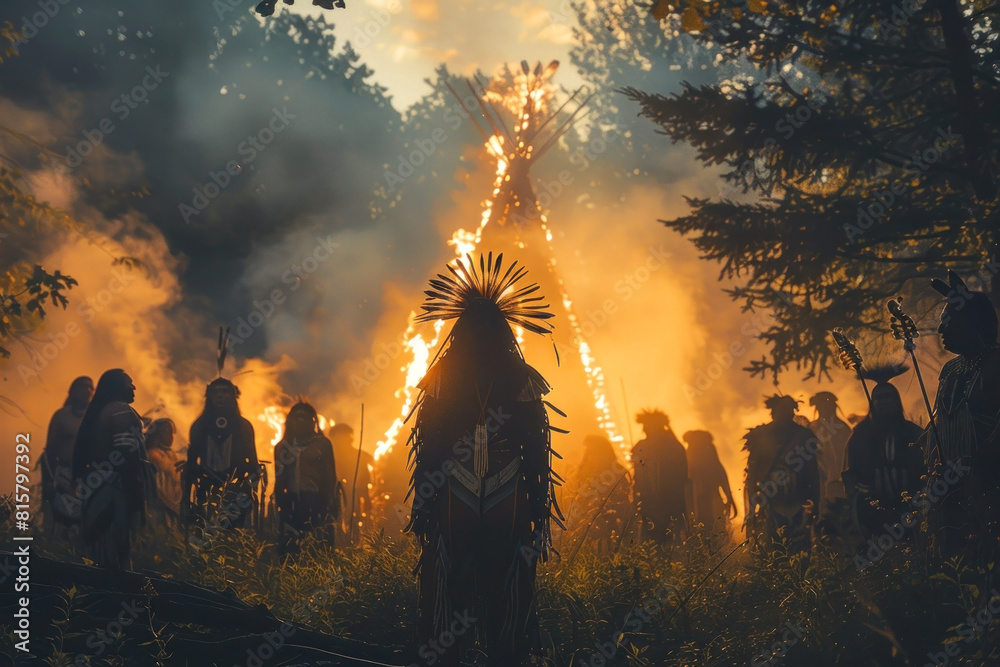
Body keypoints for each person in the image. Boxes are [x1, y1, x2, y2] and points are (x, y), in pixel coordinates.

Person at [407, 253, 561, 666]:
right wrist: (426, 498)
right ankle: (446, 653)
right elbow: (431, 445)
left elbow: (534, 447)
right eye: (473, 325)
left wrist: (538, 503)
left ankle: (507, 652)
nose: (479, 334)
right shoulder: (442, 378)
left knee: (507, 584)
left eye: (486, 325)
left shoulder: (521, 380)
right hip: (456, 491)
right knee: (449, 580)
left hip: (507, 492)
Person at [928, 270, 1000, 559]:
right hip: (951, 489)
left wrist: (981, 462)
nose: (941, 330)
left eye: (949, 322)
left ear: (971, 324)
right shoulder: (951, 370)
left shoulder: (996, 365)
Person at [71, 369, 148, 569]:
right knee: (117, 555)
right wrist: (136, 497)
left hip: (98, 491)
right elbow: (127, 457)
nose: (134, 387)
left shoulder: (101, 411)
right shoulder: (120, 411)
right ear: (117, 387)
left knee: (102, 555)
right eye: (129, 383)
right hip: (115, 494)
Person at [841, 365, 924, 540]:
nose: (885, 402)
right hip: (873, 511)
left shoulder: (913, 433)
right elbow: (851, 475)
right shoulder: (861, 434)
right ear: (873, 402)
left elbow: (926, 470)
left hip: (909, 508)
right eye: (879, 398)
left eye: (889, 398)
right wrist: (862, 500)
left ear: (897, 401)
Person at [743, 395, 820, 552]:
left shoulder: (804, 436)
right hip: (770, 501)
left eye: (788, 409)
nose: (785, 413)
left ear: (793, 412)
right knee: (774, 547)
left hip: (798, 499)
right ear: (773, 412)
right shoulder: (760, 436)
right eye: (781, 409)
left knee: (800, 547)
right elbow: (753, 471)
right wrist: (752, 507)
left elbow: (813, 472)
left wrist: (816, 503)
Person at [182, 378, 259, 532]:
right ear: (209, 396)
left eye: (225, 392)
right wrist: (186, 498)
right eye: (216, 392)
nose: (220, 396)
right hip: (206, 487)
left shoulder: (243, 426)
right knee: (205, 532)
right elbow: (191, 463)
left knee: (233, 532)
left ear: (233, 395)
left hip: (236, 488)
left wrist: (248, 488)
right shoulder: (199, 425)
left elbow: (253, 462)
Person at [274, 402, 339, 553]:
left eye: (304, 417)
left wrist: (326, 503)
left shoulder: (322, 444)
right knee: (291, 549)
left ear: (313, 422)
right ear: (290, 421)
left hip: (317, 502)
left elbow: (331, 478)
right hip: (291, 504)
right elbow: (279, 480)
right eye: (297, 417)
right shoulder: (282, 447)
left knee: (319, 548)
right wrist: (281, 507)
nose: (300, 421)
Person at [40, 376, 93, 532]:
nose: (88, 391)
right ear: (72, 391)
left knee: (85, 525)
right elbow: (49, 451)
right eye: (83, 387)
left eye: (91, 388)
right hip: (63, 475)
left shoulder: (96, 417)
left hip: (90, 476)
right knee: (60, 523)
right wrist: (49, 481)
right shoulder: (62, 416)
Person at [631, 409, 690, 545]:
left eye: (647, 426)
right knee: (649, 540)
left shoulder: (673, 447)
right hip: (648, 501)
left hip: (670, 501)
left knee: (668, 539)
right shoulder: (642, 447)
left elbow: (681, 476)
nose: (645, 430)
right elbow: (637, 476)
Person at [565, 435, 631, 548]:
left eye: (593, 451)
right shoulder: (586, 471)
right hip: (587, 525)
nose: (590, 455)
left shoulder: (616, 471)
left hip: (611, 524)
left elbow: (623, 499)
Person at [683, 430, 736, 536]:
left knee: (713, 529)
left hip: (708, 498)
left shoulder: (704, 453)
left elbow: (720, 473)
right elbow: (721, 473)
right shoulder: (701, 452)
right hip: (703, 498)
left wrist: (729, 497)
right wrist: (729, 497)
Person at [329, 422, 371, 543]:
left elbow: (364, 477)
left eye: (345, 436)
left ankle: (353, 545)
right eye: (339, 437)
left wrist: (366, 497)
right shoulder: (329, 455)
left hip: (353, 494)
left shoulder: (358, 455)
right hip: (334, 495)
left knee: (353, 520)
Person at [809, 391, 852, 505]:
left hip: (839, 480)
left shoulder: (843, 429)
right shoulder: (811, 429)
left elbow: (846, 457)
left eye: (828, 405)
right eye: (822, 406)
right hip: (816, 479)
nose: (825, 409)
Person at [145, 418, 184, 525]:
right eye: (165, 432)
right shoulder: (154, 454)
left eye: (171, 432)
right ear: (156, 433)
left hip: (174, 501)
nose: (170, 436)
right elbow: (165, 473)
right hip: (159, 503)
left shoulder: (171, 454)